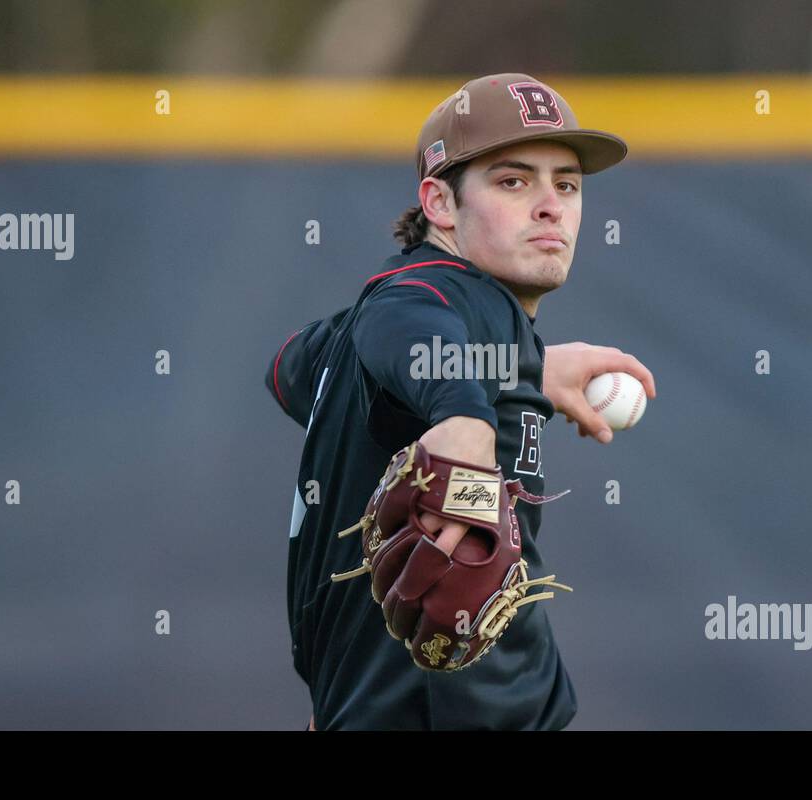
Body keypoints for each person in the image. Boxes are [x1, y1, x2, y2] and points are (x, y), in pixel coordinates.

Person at [266, 72, 656, 730]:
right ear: (440, 204)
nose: (550, 205)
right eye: (513, 181)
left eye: (566, 183)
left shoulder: (405, 315)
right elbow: (412, 328)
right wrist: (465, 416)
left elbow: (289, 366)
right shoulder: (437, 299)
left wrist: (525, 367)